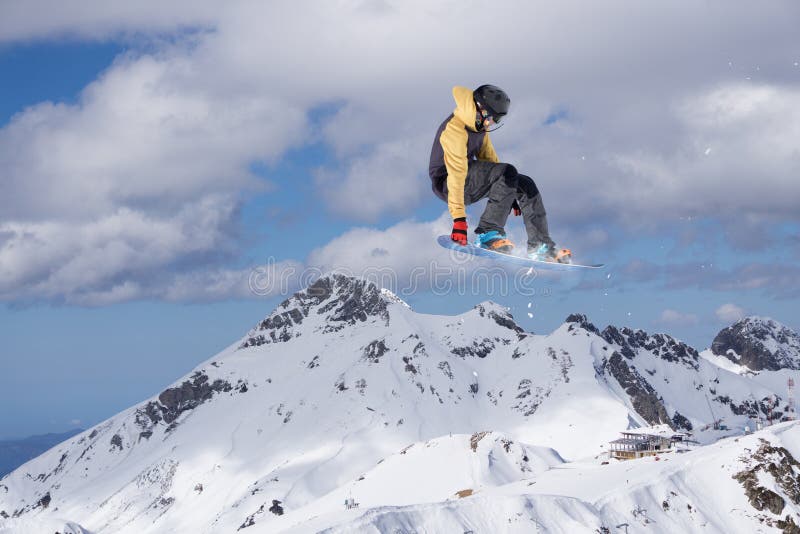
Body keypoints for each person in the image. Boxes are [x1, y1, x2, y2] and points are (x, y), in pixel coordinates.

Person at [428, 84, 570, 263]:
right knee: (507, 171)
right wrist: (459, 219)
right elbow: (456, 173)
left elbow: (489, 159)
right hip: (448, 182)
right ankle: (487, 234)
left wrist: (508, 189)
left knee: (525, 184)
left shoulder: (478, 125)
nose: (492, 123)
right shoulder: (455, 129)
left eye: (497, 120)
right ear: (480, 109)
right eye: (492, 118)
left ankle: (541, 246)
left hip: (469, 176)